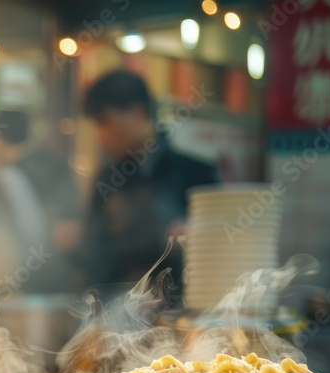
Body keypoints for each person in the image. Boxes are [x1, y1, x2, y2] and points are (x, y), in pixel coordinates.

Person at [66, 70, 218, 302]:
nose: (102, 135)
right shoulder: (107, 179)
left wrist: (196, 236)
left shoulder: (196, 173)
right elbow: (93, 258)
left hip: (183, 314)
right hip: (118, 318)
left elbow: (223, 246)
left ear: (137, 113)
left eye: (105, 122)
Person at [0, 110, 80, 293]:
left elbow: (31, 231)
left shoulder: (11, 175)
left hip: (38, 274)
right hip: (67, 270)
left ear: (0, 139)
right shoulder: (51, 161)